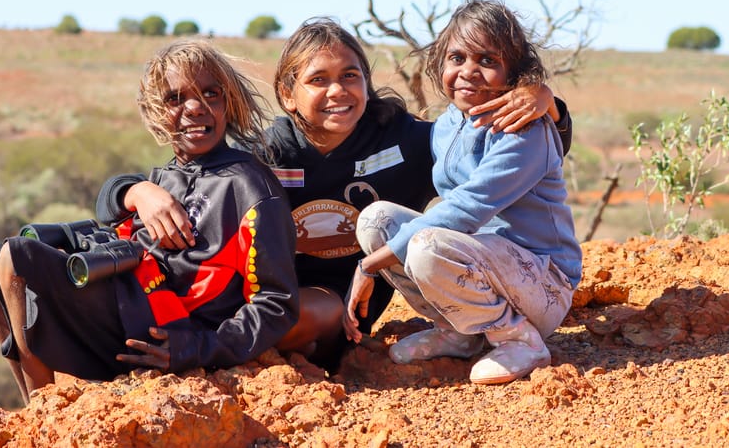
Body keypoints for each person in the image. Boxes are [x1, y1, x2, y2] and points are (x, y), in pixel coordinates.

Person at [89, 18, 572, 369]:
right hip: (259, 299)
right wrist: (135, 192)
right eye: (317, 80)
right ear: (287, 93)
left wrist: (548, 104)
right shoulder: (267, 153)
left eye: (349, 76)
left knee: (302, 313)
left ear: (366, 82)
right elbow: (189, 173)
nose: (337, 91)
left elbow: (506, 161)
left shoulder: (405, 142)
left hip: (338, 307)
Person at [0, 39, 299, 404]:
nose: (195, 108)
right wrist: (138, 190)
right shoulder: (164, 178)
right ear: (155, 111)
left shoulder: (249, 186)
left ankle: (42, 411)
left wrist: (198, 347)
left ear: (228, 103)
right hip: (128, 306)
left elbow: (276, 302)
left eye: (210, 94)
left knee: (18, 257)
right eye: (175, 99)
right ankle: (40, 409)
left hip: (166, 332)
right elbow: (109, 204)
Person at [343, 0, 582, 385]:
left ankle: (518, 338)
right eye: (458, 58)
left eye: (487, 60)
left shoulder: (522, 127)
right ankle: (460, 331)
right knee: (376, 220)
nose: (469, 70)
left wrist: (369, 265)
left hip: (542, 283)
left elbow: (467, 208)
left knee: (426, 244)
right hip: (483, 263)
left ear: (513, 73)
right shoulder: (447, 125)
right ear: (439, 64)